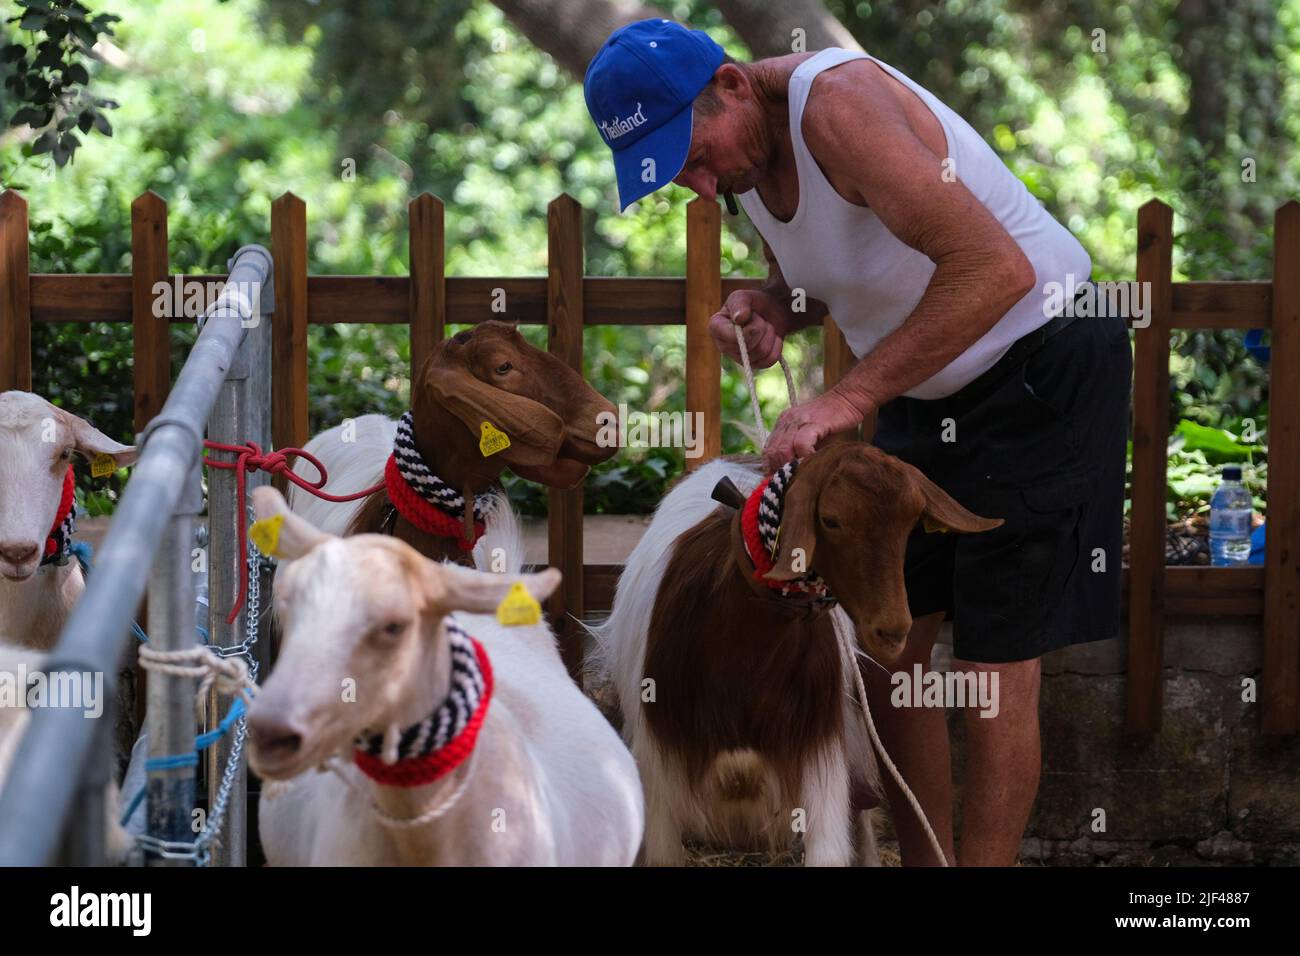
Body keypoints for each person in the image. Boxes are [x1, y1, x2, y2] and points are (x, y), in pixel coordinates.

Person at [584, 18, 1132, 866]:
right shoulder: (746, 158)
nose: (698, 187)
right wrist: (773, 307)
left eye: (693, 158)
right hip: (927, 380)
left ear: (731, 84)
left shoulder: (840, 107)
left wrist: (845, 398)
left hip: (1042, 369)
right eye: (675, 176)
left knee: (993, 670)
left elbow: (997, 272)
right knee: (885, 654)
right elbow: (829, 279)